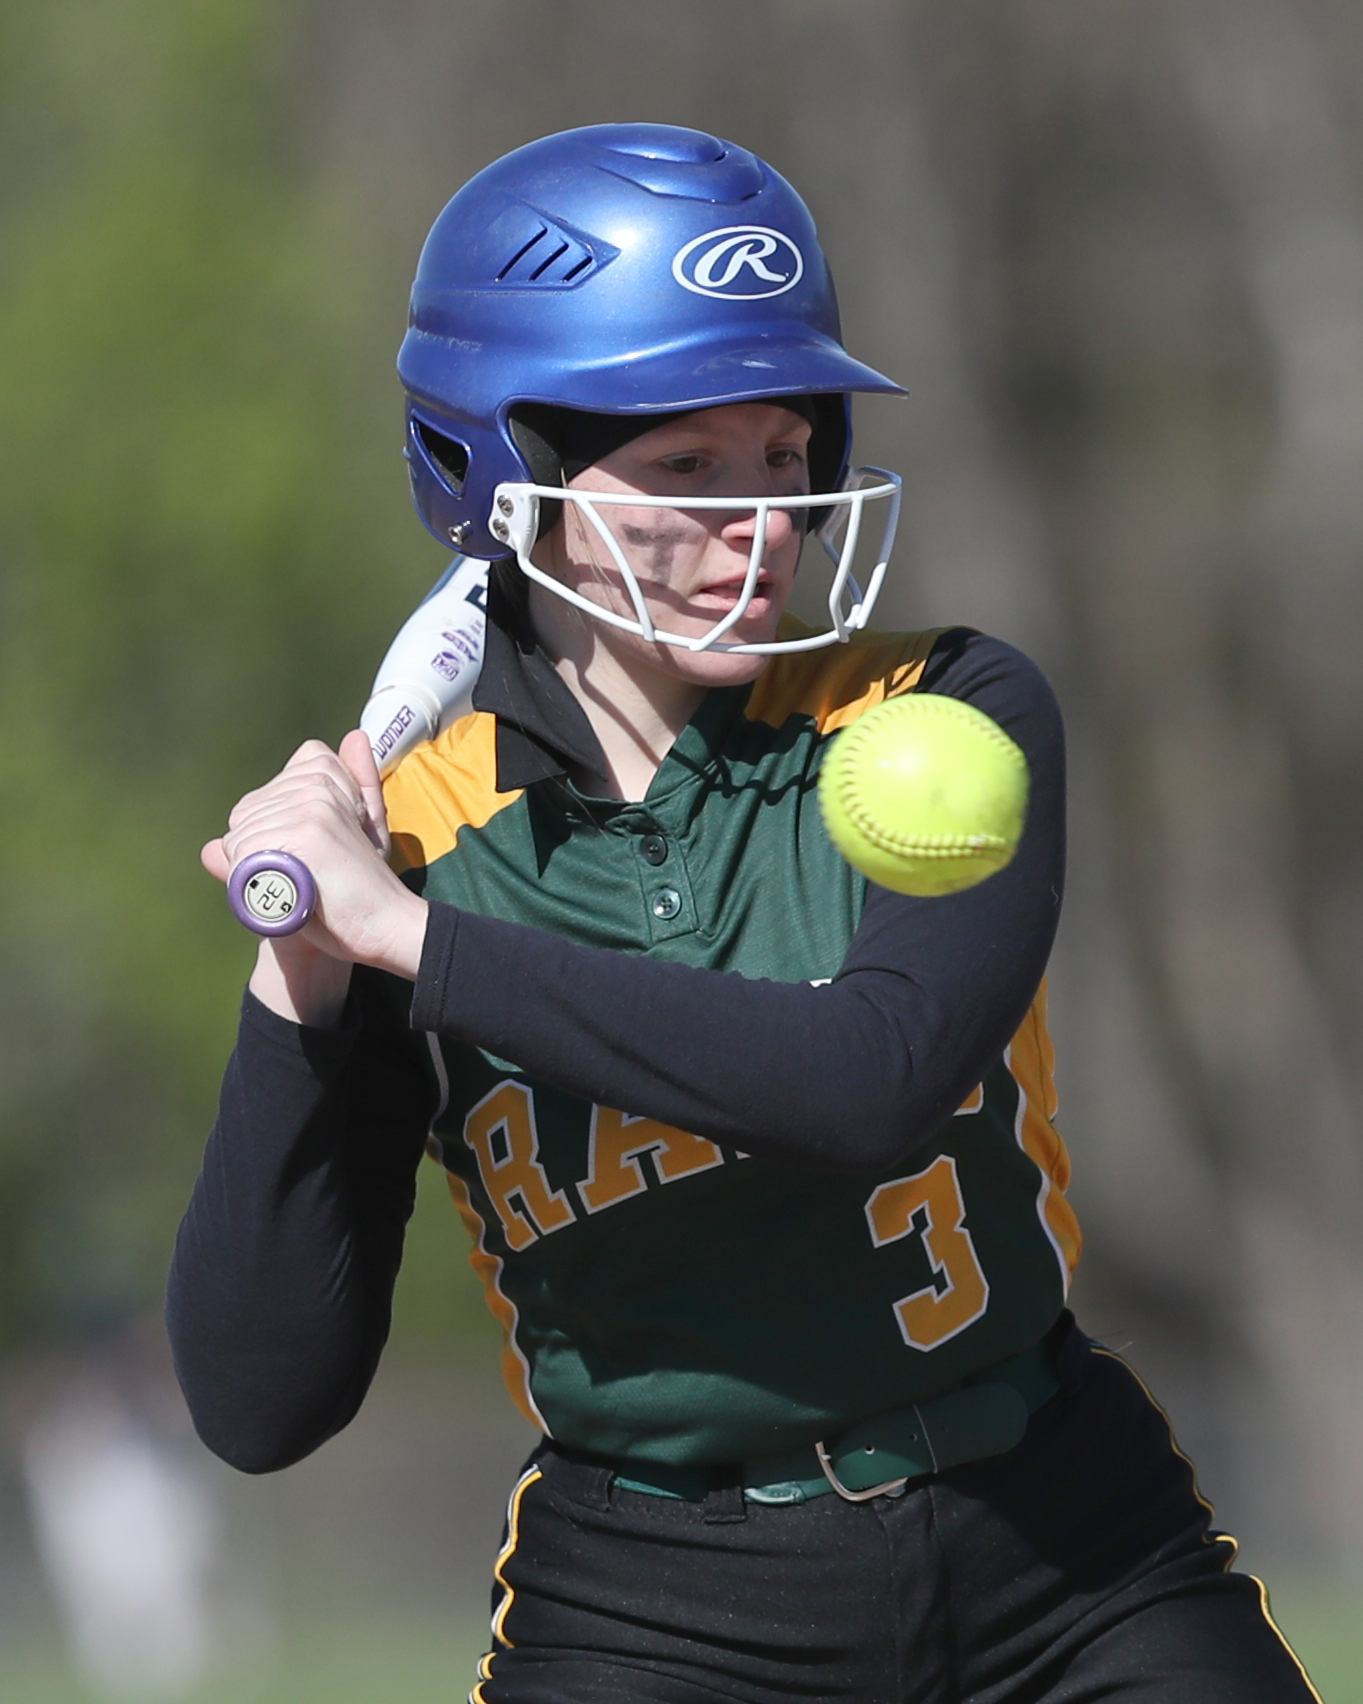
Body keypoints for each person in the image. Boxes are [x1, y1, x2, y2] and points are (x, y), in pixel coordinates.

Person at [168, 124, 1320, 1703]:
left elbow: (870, 1080)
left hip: (1061, 1547)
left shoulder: (936, 720)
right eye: (688, 468)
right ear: (507, 481)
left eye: (785, 455)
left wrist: (424, 948)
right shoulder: (414, 848)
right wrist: (303, 975)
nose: (764, 522)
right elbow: (259, 1398)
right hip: (660, 1608)